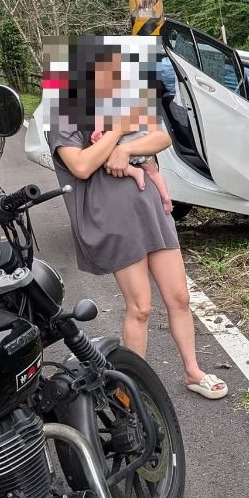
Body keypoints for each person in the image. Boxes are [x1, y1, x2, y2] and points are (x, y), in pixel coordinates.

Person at [46, 40, 228, 400]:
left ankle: (192, 371)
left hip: (152, 211)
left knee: (179, 297)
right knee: (141, 306)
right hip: (112, 217)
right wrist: (117, 135)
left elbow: (160, 137)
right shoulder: (64, 114)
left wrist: (126, 149)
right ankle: (130, 390)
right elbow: (80, 166)